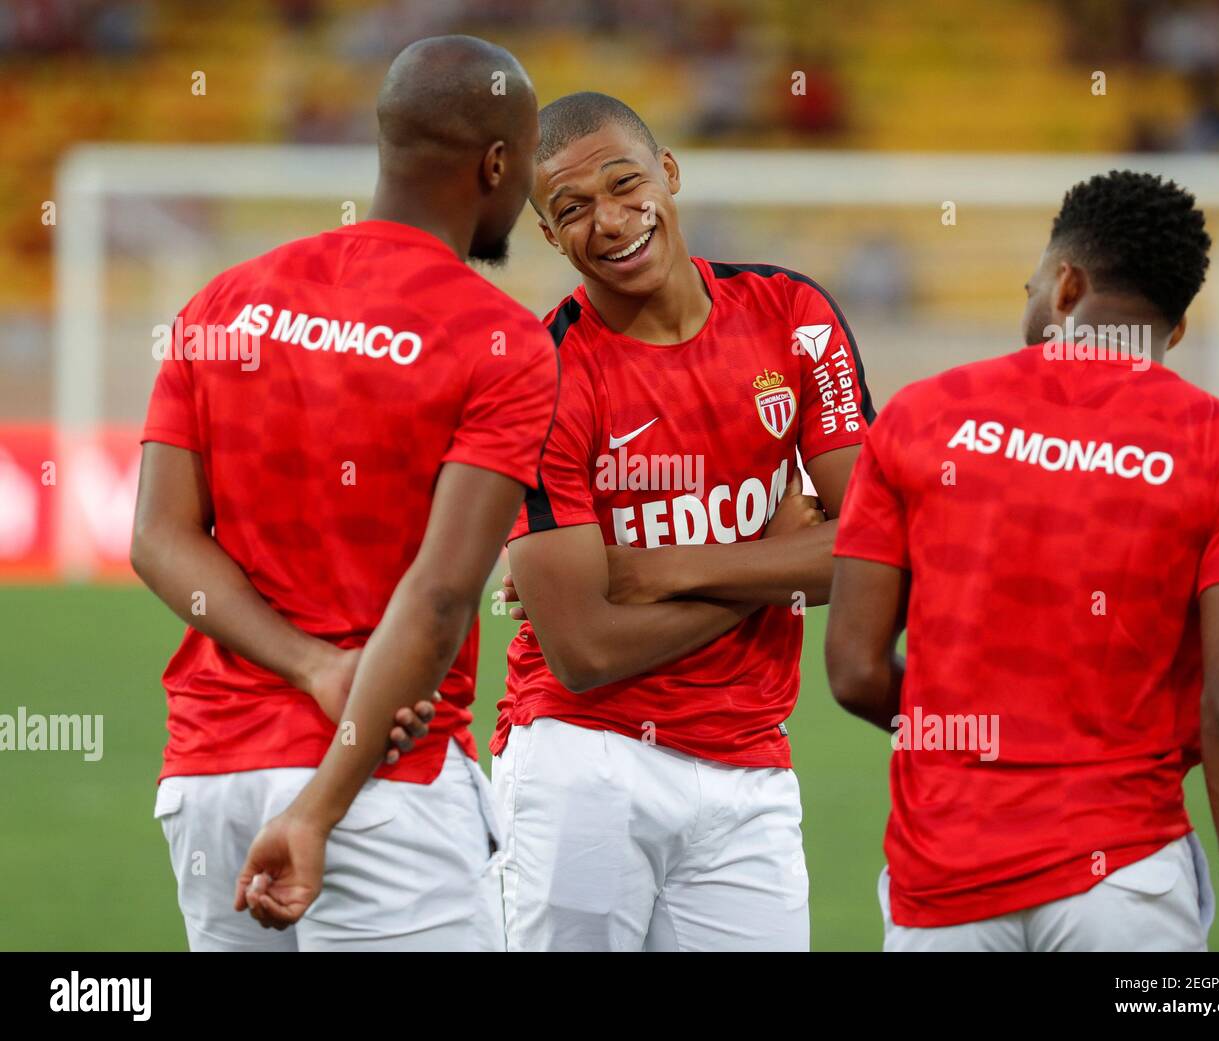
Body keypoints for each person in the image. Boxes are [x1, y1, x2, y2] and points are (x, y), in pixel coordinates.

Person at [132, 35, 556, 951]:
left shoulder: (225, 301)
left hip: (211, 782)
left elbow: (159, 539)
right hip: (377, 790)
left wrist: (304, 663)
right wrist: (320, 805)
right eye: (525, 161)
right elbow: (442, 593)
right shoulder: (501, 340)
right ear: (495, 162)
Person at [826, 170, 1219, 952]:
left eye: (1031, 285)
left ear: (1067, 285)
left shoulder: (924, 415)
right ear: (1173, 333)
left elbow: (854, 671)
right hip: (1127, 878)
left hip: (943, 879)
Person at [493, 92, 873, 951]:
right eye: (573, 209)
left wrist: (667, 567)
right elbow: (584, 652)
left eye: (626, 185)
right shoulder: (541, 374)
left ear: (668, 173)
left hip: (752, 766)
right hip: (582, 758)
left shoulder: (792, 315)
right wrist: (777, 562)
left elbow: (879, 543)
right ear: (551, 237)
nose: (612, 221)